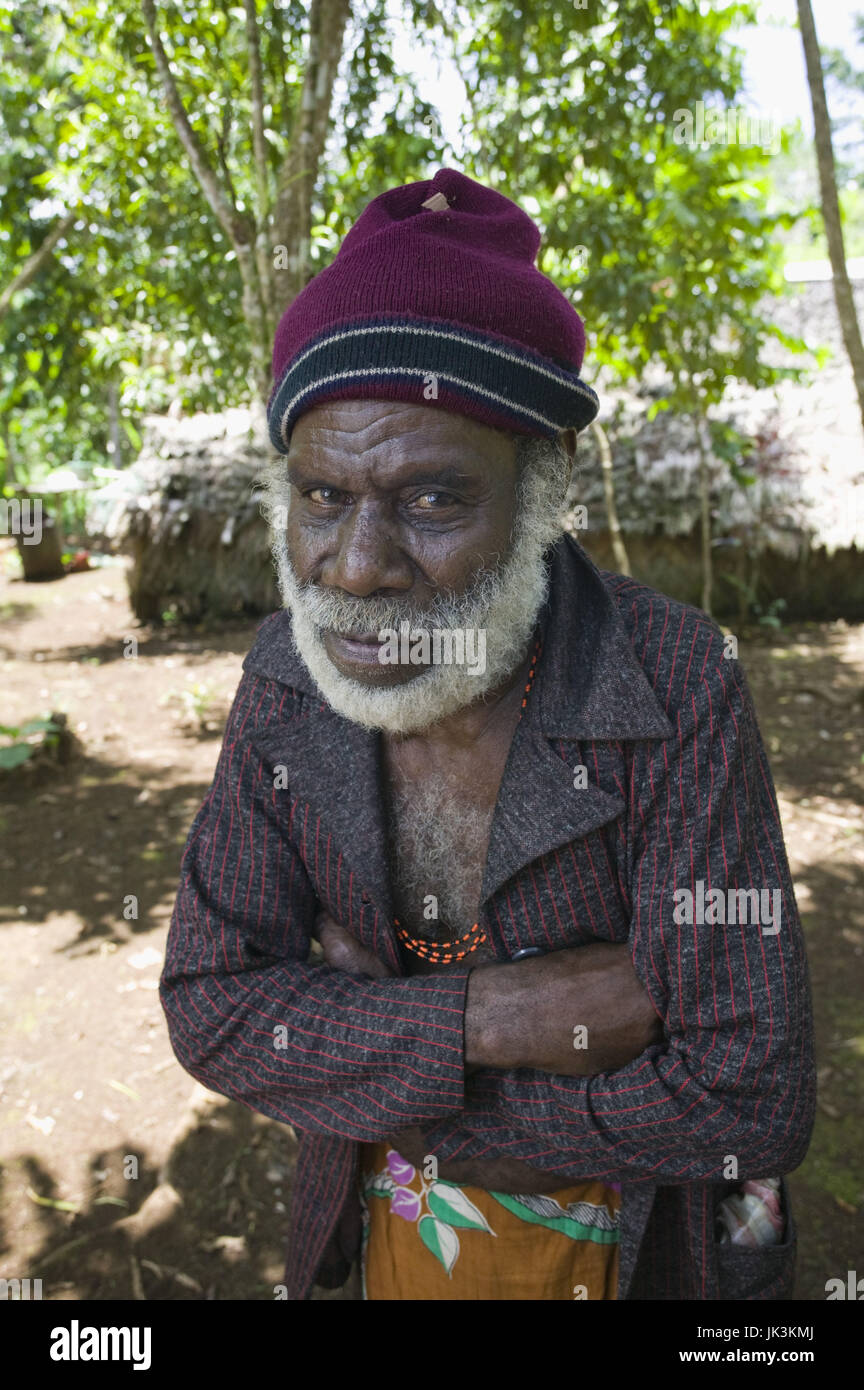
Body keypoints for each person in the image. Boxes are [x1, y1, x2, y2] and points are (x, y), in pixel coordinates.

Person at [159, 168, 816, 1301]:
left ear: (544, 495)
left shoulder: (669, 679)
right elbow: (214, 1007)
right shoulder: (285, 676)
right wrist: (497, 1014)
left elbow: (748, 1091)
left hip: (647, 1255)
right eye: (322, 498)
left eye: (431, 501)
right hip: (371, 1249)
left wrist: (363, 1050)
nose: (356, 569)